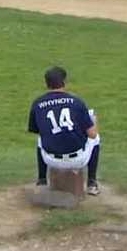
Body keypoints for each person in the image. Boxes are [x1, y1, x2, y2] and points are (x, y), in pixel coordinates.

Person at [27, 66, 101, 196]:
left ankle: (42, 181)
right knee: (96, 139)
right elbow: (92, 134)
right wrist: (93, 120)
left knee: (40, 139)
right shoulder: (77, 102)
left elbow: (37, 130)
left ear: (46, 84)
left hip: (50, 159)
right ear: (64, 82)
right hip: (78, 160)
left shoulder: (37, 103)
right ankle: (91, 183)